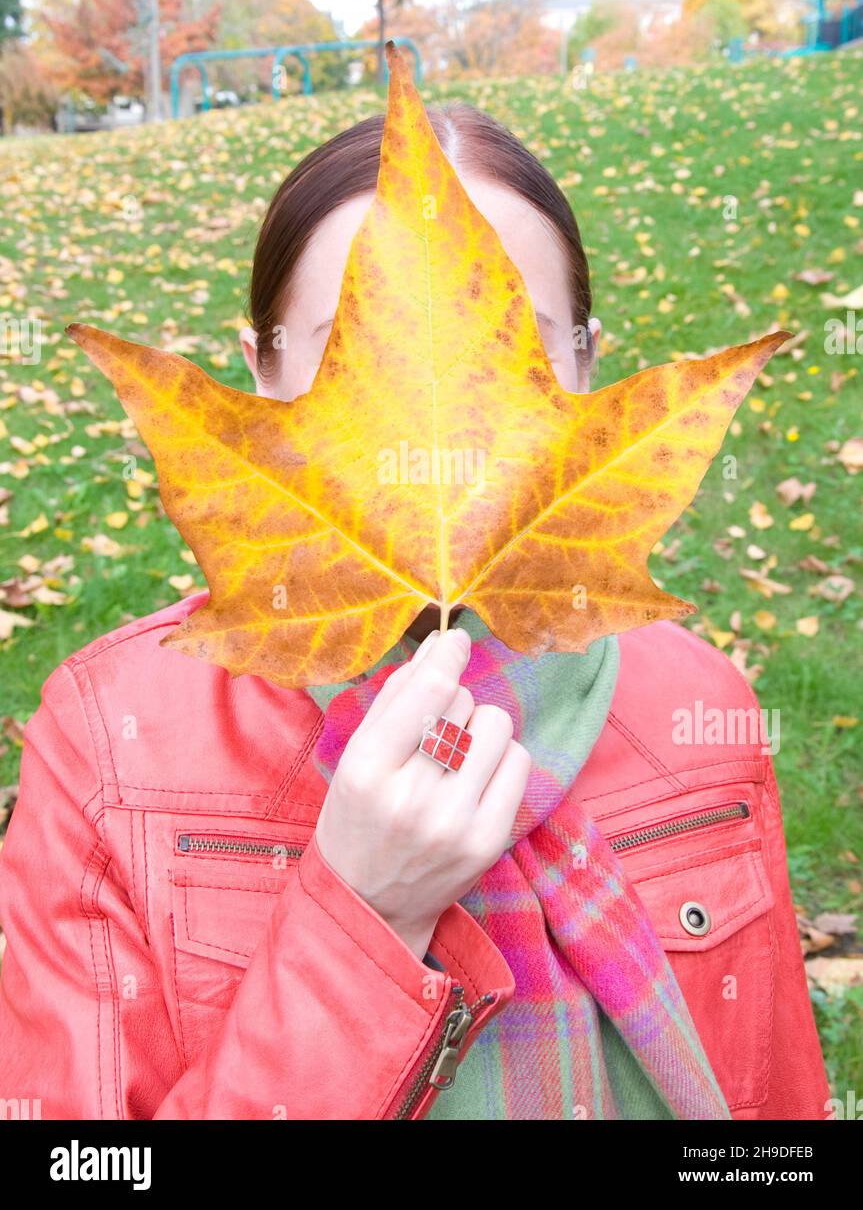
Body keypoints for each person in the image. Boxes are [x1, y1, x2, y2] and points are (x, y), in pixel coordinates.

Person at [0, 102, 830, 1120]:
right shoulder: (106, 746)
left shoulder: (705, 712)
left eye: (509, 343)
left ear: (582, 365)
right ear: (260, 372)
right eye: (356, 342)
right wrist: (361, 913)